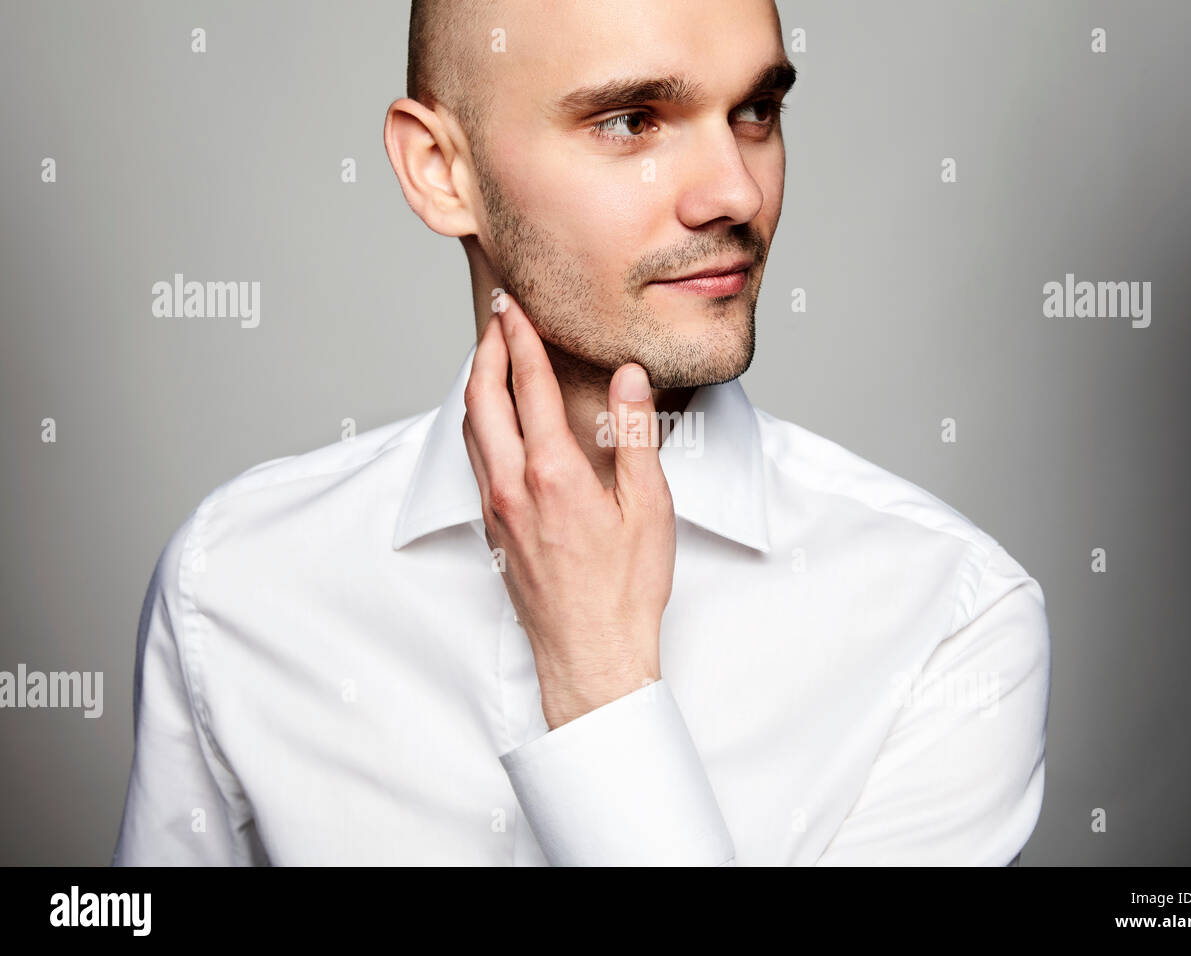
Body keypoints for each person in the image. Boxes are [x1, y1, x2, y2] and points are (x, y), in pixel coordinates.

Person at [112, 0, 1050, 866]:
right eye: (632, 121)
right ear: (443, 172)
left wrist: (598, 679)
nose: (733, 193)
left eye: (756, 111)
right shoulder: (236, 582)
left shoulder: (946, 620)